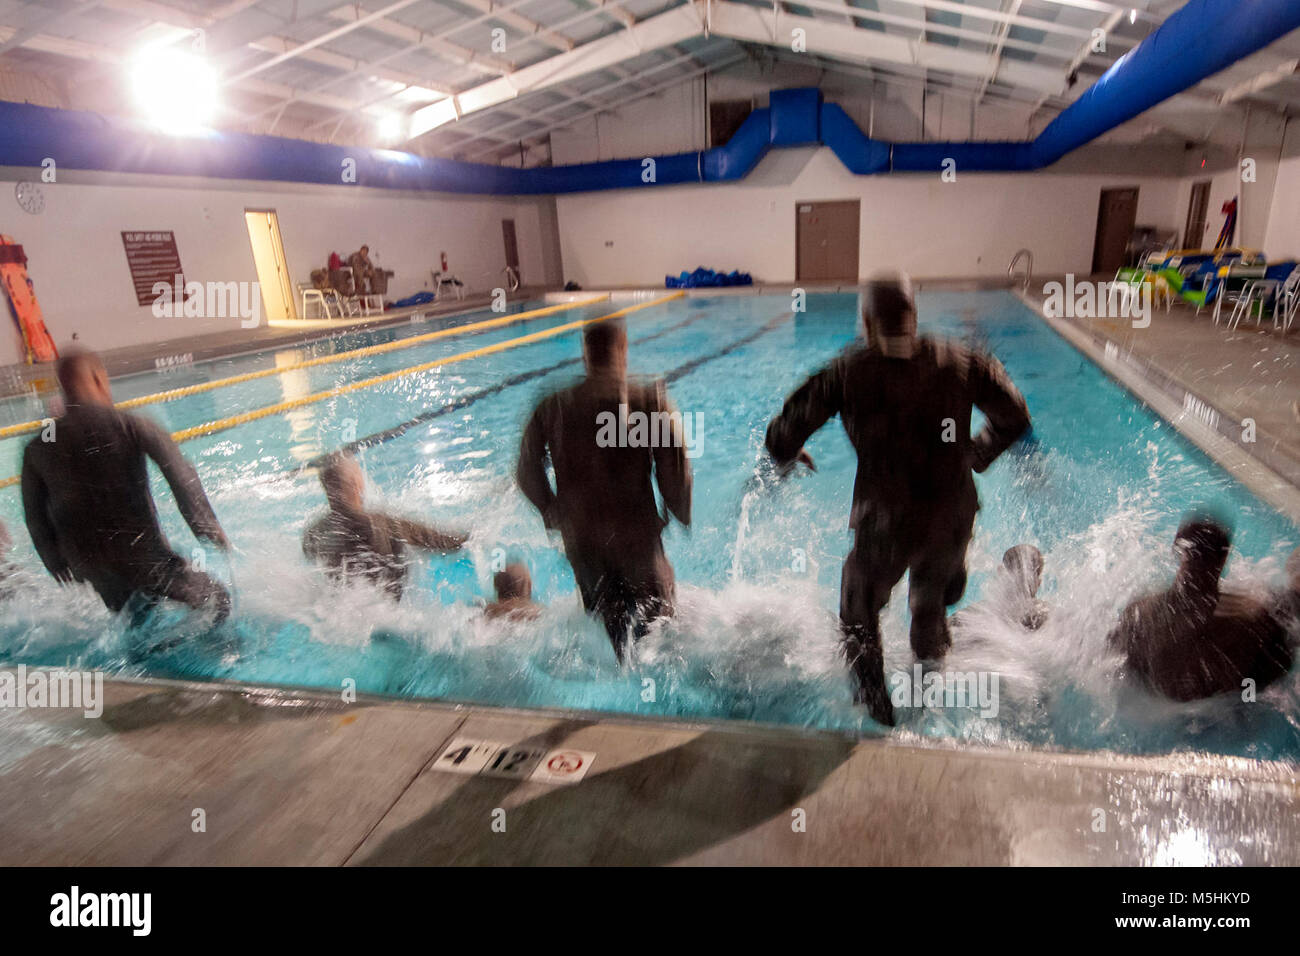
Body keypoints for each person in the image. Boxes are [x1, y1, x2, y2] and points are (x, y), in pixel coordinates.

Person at [765, 272, 1031, 725]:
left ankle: (876, 713)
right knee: (928, 607)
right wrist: (977, 453)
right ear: (914, 316)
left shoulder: (848, 372)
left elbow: (783, 432)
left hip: (885, 520)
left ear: (868, 322)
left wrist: (789, 455)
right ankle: (927, 707)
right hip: (950, 515)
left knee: (857, 611)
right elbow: (1015, 416)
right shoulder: (962, 361)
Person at [517, 319, 692, 662]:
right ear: (623, 348)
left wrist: (553, 512)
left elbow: (526, 471)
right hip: (638, 546)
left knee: (613, 646)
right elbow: (675, 477)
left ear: (586, 355)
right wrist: (680, 510)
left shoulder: (553, 406)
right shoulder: (647, 401)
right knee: (659, 645)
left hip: (585, 548)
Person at [20, 349, 231, 621]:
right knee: (218, 599)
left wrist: (55, 563)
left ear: (63, 386)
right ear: (98, 379)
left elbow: (34, 516)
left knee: (133, 619)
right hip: (146, 561)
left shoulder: (38, 446)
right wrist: (206, 526)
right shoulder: (130, 425)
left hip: (90, 570)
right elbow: (181, 475)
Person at [1108, 516, 1293, 702]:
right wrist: (1246, 702)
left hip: (1164, 711)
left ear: (1177, 552)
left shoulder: (1138, 614)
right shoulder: (1248, 626)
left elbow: (1114, 669)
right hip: (1219, 716)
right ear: (1223, 560)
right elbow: (1259, 687)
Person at [302, 451, 467, 599]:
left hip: (343, 618)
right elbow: (447, 542)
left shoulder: (314, 534)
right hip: (390, 621)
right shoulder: (382, 524)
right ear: (356, 484)